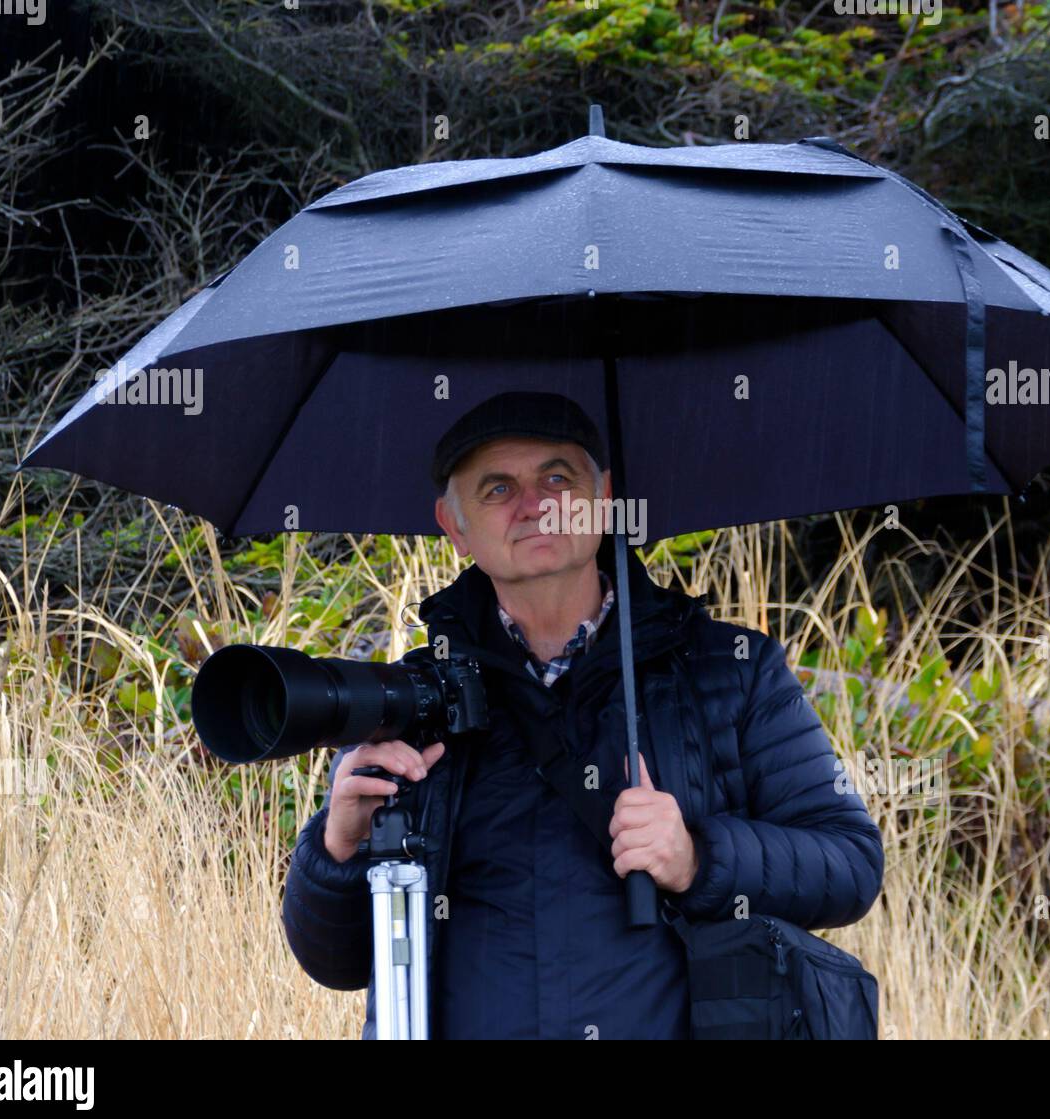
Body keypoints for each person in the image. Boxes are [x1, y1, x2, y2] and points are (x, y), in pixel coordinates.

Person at [281, 391, 884, 1039]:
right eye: (496, 488)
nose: (533, 504)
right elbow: (336, 962)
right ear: (454, 526)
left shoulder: (730, 670)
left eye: (557, 478)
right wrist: (337, 848)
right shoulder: (412, 701)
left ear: (604, 498)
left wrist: (698, 858)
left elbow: (849, 863)